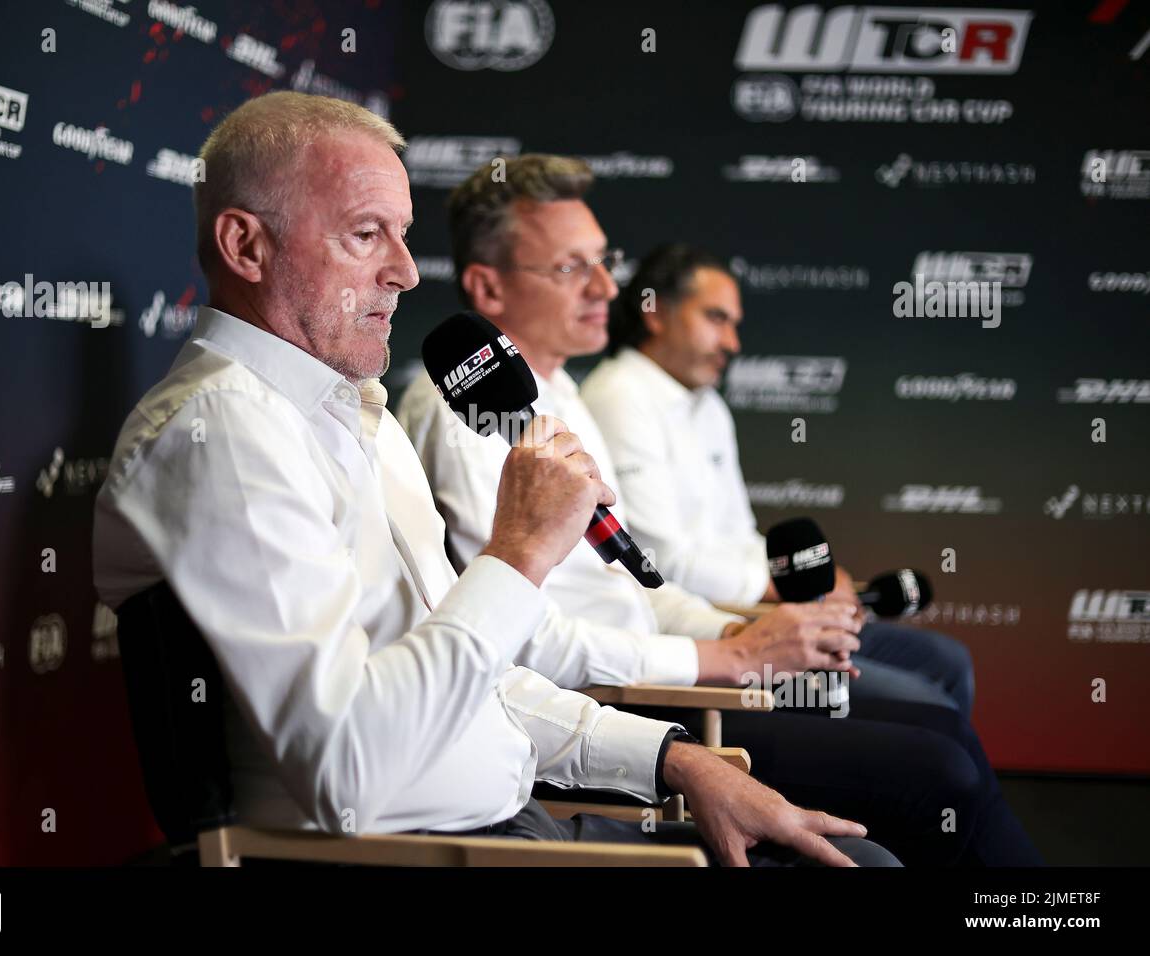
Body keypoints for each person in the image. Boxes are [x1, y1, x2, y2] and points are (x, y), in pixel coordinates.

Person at [91, 91, 894, 867]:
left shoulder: (351, 411)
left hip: (521, 822)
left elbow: (478, 673)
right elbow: (347, 769)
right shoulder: (225, 433)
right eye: (366, 234)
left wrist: (672, 759)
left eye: (402, 235)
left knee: (856, 852)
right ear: (246, 247)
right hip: (435, 857)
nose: (405, 272)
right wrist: (516, 555)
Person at [397, 153, 1041, 865]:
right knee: (940, 768)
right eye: (570, 269)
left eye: (603, 263)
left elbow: (641, 588)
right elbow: (525, 641)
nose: (607, 287)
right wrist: (723, 654)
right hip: (616, 701)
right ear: (488, 285)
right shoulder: (468, 413)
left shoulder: (561, 392)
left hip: (665, 676)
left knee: (941, 736)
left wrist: (741, 632)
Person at [583, 241, 974, 717]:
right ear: (656, 313)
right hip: (706, 642)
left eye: (734, 323)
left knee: (947, 663)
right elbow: (657, 562)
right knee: (927, 706)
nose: (733, 343)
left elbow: (740, 535)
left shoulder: (708, 405)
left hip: (756, 619)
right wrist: (781, 591)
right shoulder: (619, 394)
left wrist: (817, 585)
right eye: (716, 318)